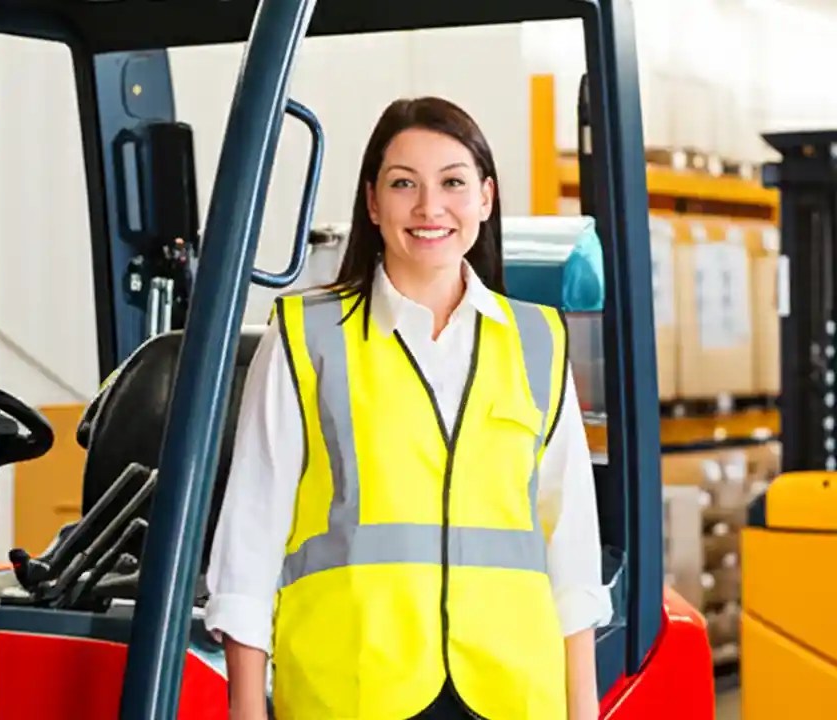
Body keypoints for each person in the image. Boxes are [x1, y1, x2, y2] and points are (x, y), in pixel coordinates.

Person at [203, 96, 612, 720]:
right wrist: (245, 711)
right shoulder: (307, 338)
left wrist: (582, 711)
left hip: (512, 694)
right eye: (403, 184)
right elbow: (248, 547)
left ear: (485, 198)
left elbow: (572, 549)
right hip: (352, 691)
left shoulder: (538, 341)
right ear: (372, 202)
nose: (429, 207)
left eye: (453, 182)